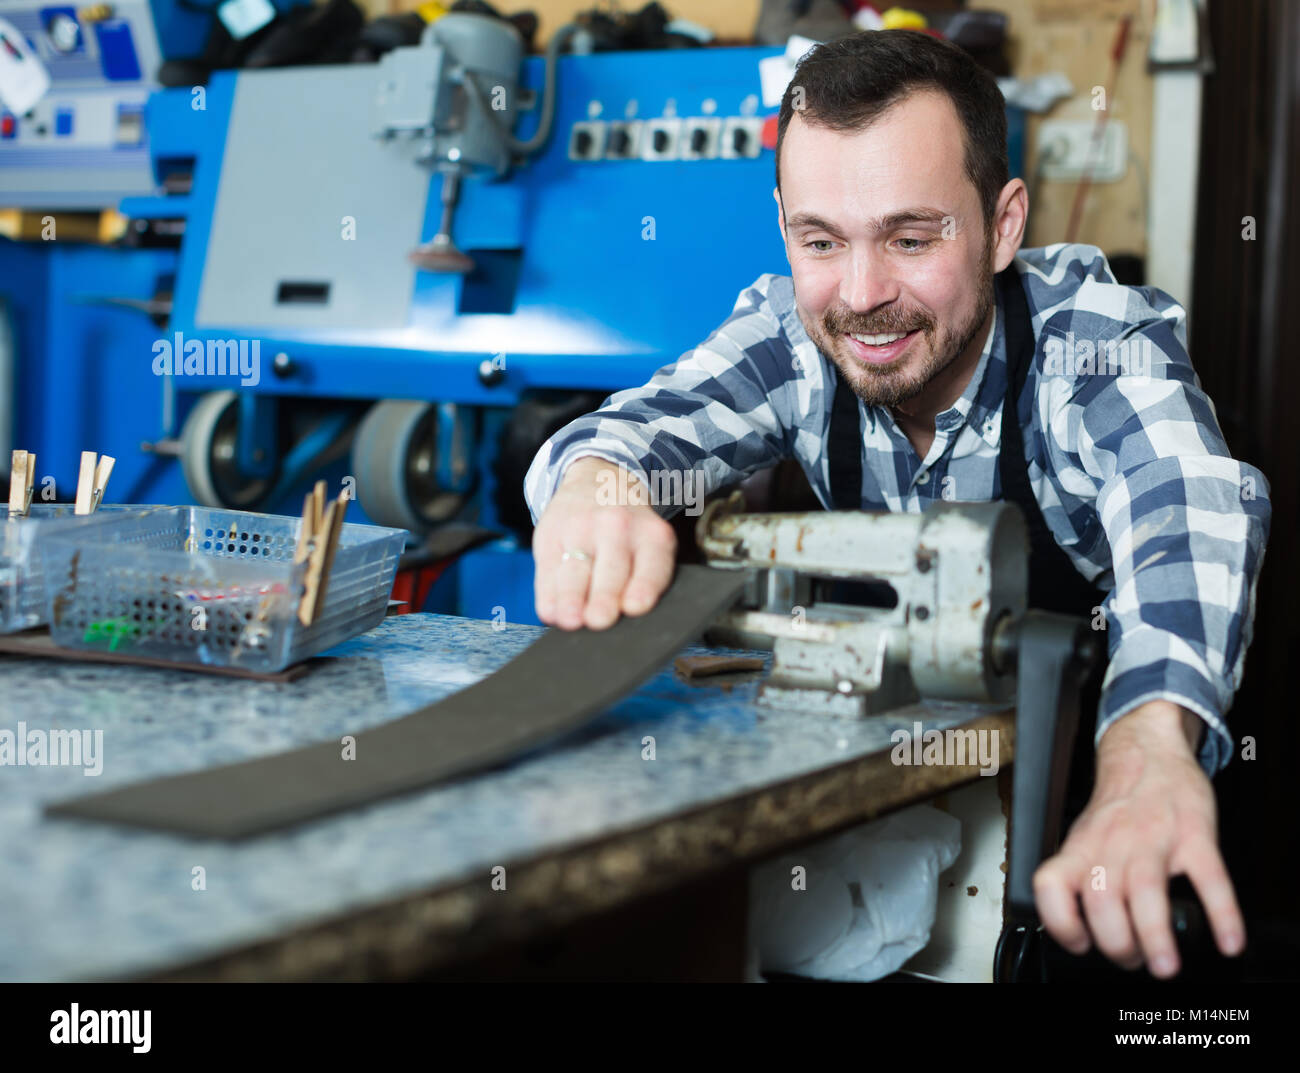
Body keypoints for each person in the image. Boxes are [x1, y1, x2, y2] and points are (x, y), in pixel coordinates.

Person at [522, 29, 1270, 979]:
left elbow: (1189, 503)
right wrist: (601, 484)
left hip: (1090, 817)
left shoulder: (1091, 341)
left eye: (912, 238)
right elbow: (627, 433)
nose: (863, 295)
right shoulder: (791, 335)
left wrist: (1147, 752)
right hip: (890, 817)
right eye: (821, 240)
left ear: (1003, 226)